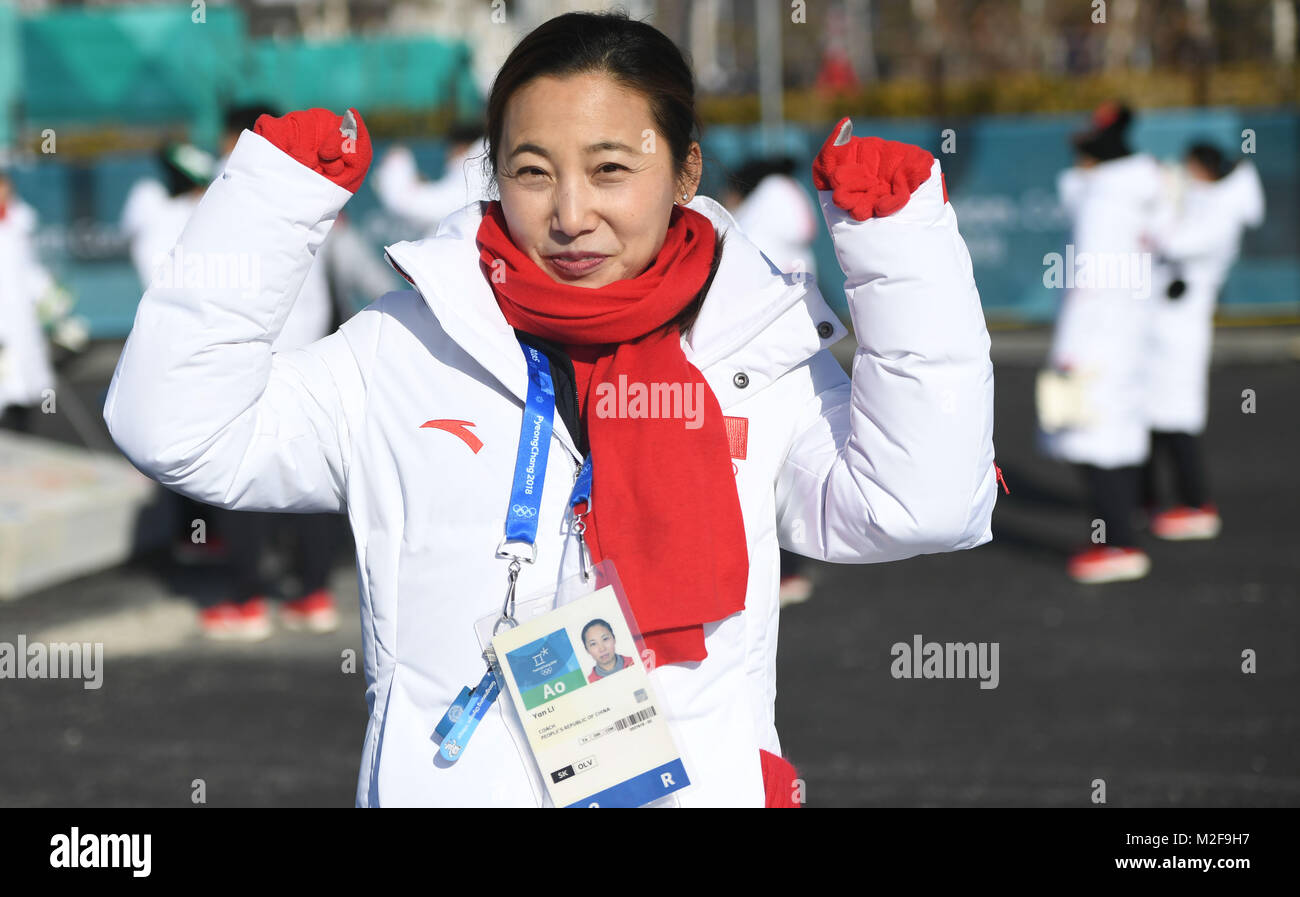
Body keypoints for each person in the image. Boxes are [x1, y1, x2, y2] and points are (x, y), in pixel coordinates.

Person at [103, 11, 997, 807]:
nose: (571, 213)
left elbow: (914, 503)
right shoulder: (407, 343)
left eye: (611, 169)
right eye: (533, 172)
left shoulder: (749, 349)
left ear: (685, 170)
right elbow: (182, 429)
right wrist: (267, 204)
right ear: (494, 172)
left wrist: (902, 257)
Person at [1039, 102, 1164, 584]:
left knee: (1091, 440)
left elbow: (1086, 279)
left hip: (1096, 338)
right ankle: (1122, 530)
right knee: (1119, 436)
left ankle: (1117, 544)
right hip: (1130, 334)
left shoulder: (1103, 200)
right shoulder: (1142, 193)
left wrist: (1071, 349)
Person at [1142, 142, 1264, 540]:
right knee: (1152, 417)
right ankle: (1148, 498)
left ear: (1205, 170)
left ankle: (1196, 504)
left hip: (1182, 332)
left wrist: (1163, 200)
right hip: (1163, 328)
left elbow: (1173, 242)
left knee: (1179, 419)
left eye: (1189, 167)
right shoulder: (1203, 202)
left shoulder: (1221, 212)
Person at [721, 155, 821, 606]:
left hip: (744, 376)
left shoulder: (747, 236)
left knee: (752, 476)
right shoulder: (789, 234)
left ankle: (776, 572)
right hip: (796, 370)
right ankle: (790, 568)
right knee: (786, 468)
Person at [0, 167, 58, 434]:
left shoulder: (21, 222)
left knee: (21, 385)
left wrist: (49, 297)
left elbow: (29, 269)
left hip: (19, 319)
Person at [371, 121, 493, 237]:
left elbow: (406, 203)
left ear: (460, 147)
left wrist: (397, 160)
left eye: (449, 149)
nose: (447, 156)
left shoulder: (474, 168)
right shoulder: (479, 167)